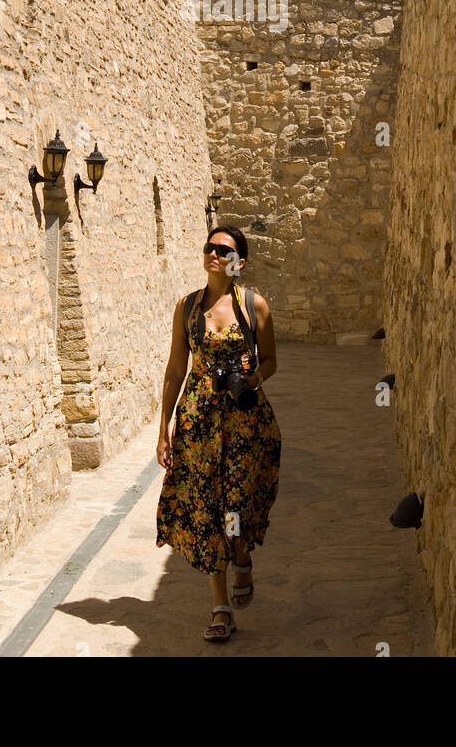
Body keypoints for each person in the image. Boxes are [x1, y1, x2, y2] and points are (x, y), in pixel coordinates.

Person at [155, 225, 282, 641]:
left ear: (238, 263)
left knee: (237, 507)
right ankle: (220, 606)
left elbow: (270, 362)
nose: (213, 254)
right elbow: (176, 369)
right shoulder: (187, 308)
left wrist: (250, 380)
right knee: (207, 510)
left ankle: (242, 554)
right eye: (209, 247)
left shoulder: (253, 306)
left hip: (244, 422)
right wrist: (163, 428)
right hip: (198, 424)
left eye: (223, 250)